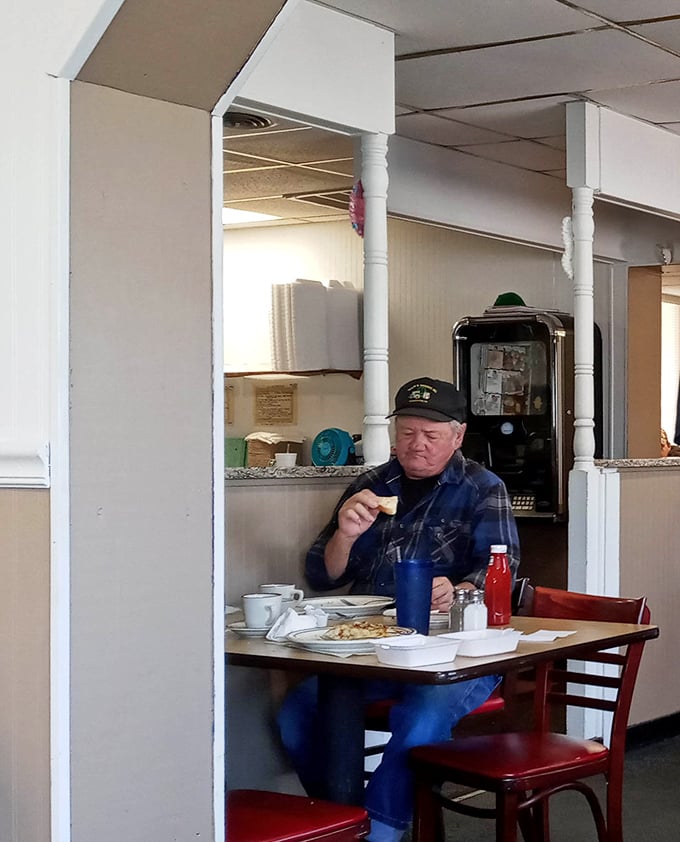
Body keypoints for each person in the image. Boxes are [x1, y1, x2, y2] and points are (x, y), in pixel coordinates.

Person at [277, 377, 520, 842]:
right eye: (407, 433)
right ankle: (339, 820)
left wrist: (462, 589)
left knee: (421, 714)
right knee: (298, 713)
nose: (417, 445)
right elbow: (323, 576)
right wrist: (345, 535)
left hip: (454, 654)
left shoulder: (482, 488)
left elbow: (501, 569)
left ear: (458, 436)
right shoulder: (371, 484)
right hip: (372, 648)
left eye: (431, 436)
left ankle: (379, 833)